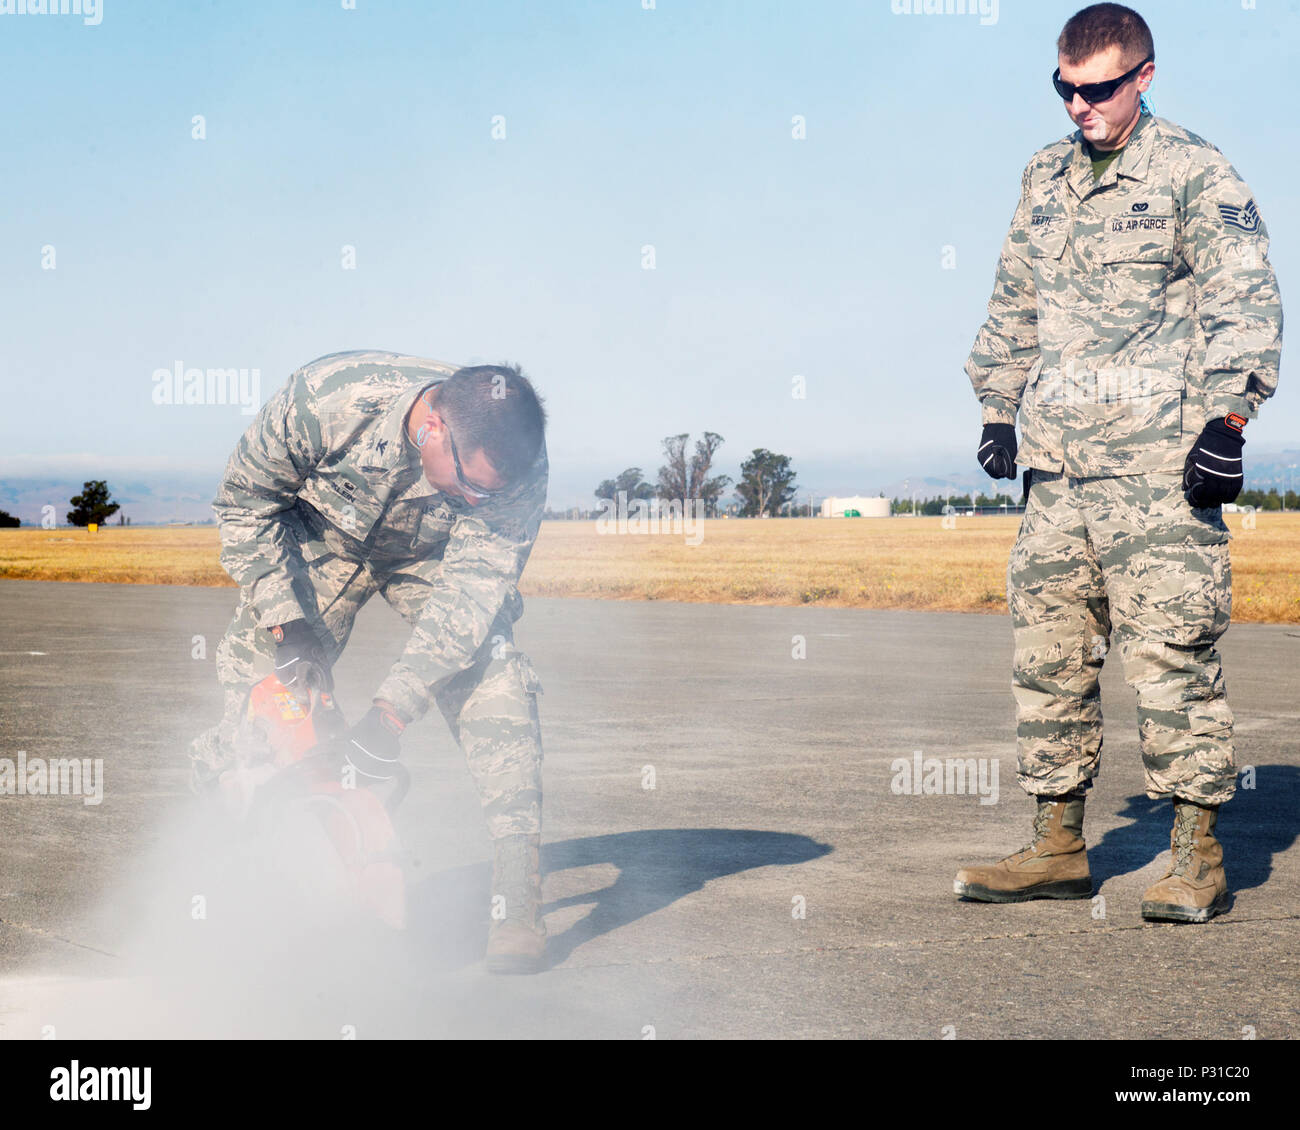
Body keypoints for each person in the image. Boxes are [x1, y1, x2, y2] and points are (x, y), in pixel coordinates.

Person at [956, 3, 1282, 922]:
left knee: (1173, 658)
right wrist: (997, 404)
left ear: (1143, 76)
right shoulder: (1043, 174)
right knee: (1050, 658)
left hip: (1159, 470)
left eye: (1098, 89)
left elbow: (1244, 299)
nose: (1079, 107)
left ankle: (1197, 860)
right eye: (1064, 88)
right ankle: (1056, 845)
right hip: (1057, 470)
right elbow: (1013, 295)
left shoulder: (1193, 172)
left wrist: (1229, 418)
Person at [190, 349, 551, 970]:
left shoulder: (517, 466)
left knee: (497, 679)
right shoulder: (329, 397)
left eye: (484, 493)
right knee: (264, 702)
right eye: (465, 482)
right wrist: (285, 621)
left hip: (430, 559)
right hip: (318, 542)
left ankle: (517, 905)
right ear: (434, 426)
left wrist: (390, 716)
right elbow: (244, 503)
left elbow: (469, 594)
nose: (472, 498)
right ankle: (228, 883)